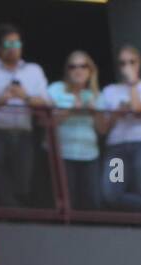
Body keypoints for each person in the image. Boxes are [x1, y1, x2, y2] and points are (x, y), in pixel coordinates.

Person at [0, 24, 49, 208]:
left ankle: (18, 212)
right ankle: (10, 215)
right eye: (7, 43)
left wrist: (25, 96)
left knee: (23, 180)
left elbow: (46, 103)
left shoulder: (33, 70)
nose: (13, 47)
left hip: (23, 131)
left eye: (16, 42)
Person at [100, 43, 141, 213]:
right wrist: (116, 113)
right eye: (122, 63)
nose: (127, 66)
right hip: (117, 149)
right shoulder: (110, 90)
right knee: (112, 194)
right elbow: (103, 128)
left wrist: (132, 83)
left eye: (131, 62)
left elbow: (138, 109)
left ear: (139, 63)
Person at [46, 50, 108, 211]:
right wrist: (72, 110)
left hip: (89, 154)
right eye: (73, 67)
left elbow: (102, 129)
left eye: (83, 66)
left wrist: (95, 112)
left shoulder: (96, 95)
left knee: (93, 200)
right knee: (67, 202)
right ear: (67, 71)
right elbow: (47, 122)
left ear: (90, 70)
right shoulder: (56, 89)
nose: (78, 70)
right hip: (62, 154)